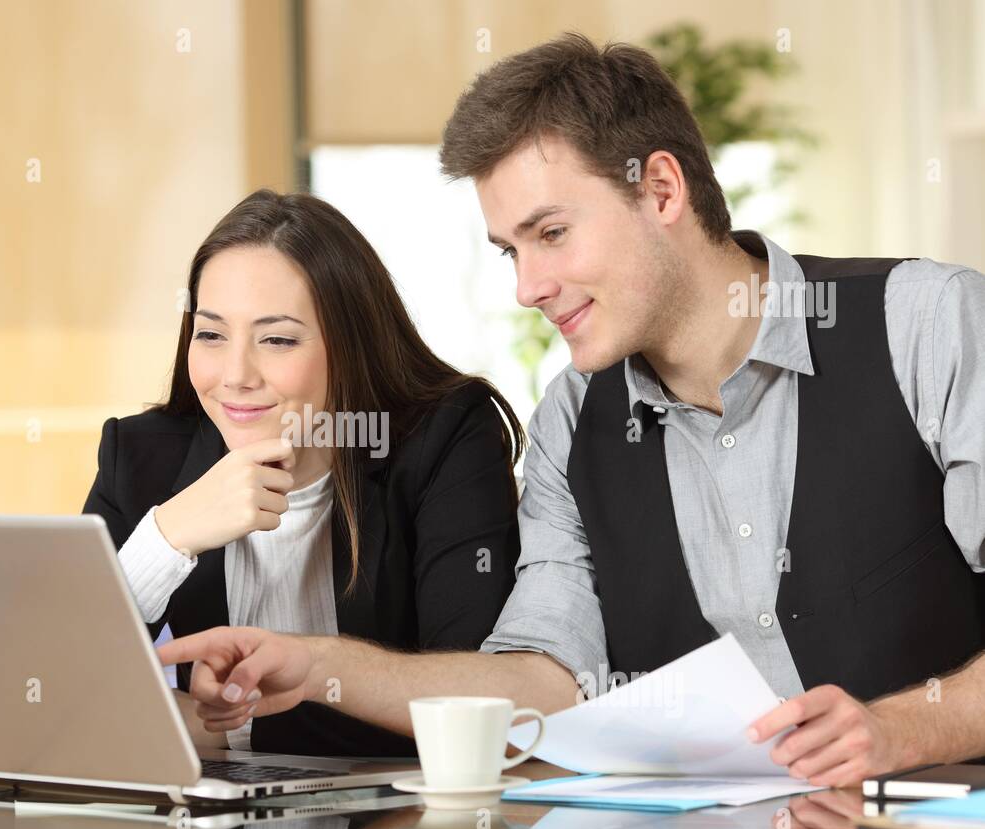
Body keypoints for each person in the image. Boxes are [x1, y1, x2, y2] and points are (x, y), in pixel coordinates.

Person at [160, 34, 985, 787]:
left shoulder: (926, 325)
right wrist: (314, 664)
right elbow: (545, 682)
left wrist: (898, 730)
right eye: (511, 251)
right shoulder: (571, 421)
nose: (527, 287)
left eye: (550, 233)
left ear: (661, 189)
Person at [82, 188, 524, 758]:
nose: (235, 375)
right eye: (211, 334)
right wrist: (166, 539)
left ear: (350, 345)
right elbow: (48, 689)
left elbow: (472, 707)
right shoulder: (142, 456)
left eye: (278, 339)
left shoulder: (443, 441)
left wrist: (213, 725)